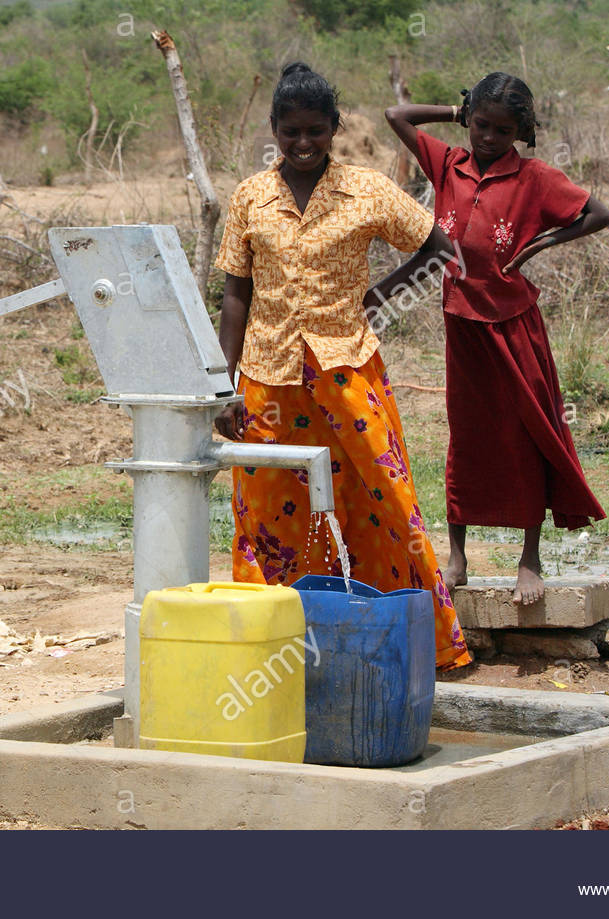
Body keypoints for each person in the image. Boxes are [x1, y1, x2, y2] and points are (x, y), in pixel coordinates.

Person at [215, 62, 471, 671]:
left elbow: (442, 247)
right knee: (267, 512)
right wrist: (219, 385)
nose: (303, 144)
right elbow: (235, 294)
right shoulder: (252, 196)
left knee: (382, 499)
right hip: (267, 379)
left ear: (335, 128)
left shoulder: (367, 189)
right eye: (290, 132)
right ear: (274, 130)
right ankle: (273, 647)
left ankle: (406, 644)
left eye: (315, 131)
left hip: (346, 369)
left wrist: (383, 293)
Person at [385, 72, 609, 606]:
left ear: (521, 131)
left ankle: (529, 558)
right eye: (481, 125)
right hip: (461, 323)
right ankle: (458, 556)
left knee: (527, 432)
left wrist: (537, 247)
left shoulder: (533, 177)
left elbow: (599, 214)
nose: (488, 137)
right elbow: (397, 116)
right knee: (468, 435)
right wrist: (456, 109)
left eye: (502, 130)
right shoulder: (447, 163)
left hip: (514, 323)